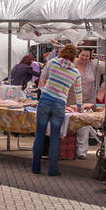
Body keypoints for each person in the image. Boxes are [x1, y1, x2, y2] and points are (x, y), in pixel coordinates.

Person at [34, 45, 80, 176]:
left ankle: (35, 168)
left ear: (62, 52)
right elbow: (78, 91)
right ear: (74, 56)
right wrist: (80, 106)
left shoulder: (52, 62)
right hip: (60, 104)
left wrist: (44, 91)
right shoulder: (75, 72)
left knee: (39, 135)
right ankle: (52, 169)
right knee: (55, 137)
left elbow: (42, 79)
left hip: (45, 101)